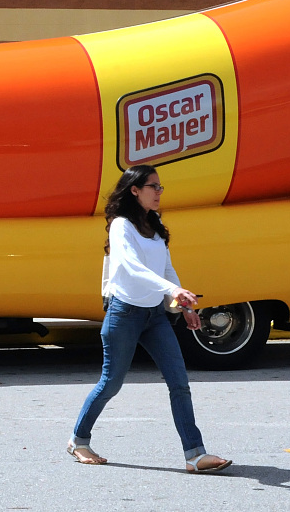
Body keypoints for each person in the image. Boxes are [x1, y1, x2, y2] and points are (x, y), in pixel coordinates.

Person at [68, 165, 232, 474]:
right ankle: (79, 441)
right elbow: (130, 266)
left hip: (155, 315)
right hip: (125, 314)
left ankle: (195, 455)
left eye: (160, 187)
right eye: (153, 187)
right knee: (110, 384)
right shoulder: (121, 226)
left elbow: (165, 268)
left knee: (179, 382)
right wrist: (174, 290)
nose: (159, 192)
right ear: (134, 189)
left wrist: (182, 304)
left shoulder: (153, 226)